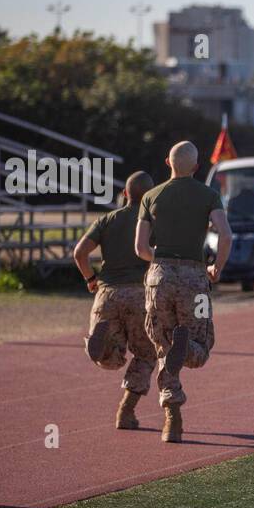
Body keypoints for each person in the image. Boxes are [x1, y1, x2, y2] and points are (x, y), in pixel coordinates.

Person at [133, 141, 232, 443]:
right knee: (201, 344)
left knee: (163, 346)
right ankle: (186, 347)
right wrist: (216, 268)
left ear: (168, 162)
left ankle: (171, 417)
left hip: (158, 279)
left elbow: (139, 248)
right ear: (197, 167)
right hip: (195, 280)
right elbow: (225, 235)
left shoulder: (150, 196)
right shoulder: (209, 195)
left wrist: (162, 262)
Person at [73, 171, 157, 429]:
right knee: (146, 354)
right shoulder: (154, 222)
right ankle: (126, 411)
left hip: (107, 294)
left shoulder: (106, 219)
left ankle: (103, 348)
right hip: (140, 295)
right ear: (151, 198)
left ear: (124, 194)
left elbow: (79, 253)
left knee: (113, 358)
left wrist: (90, 278)